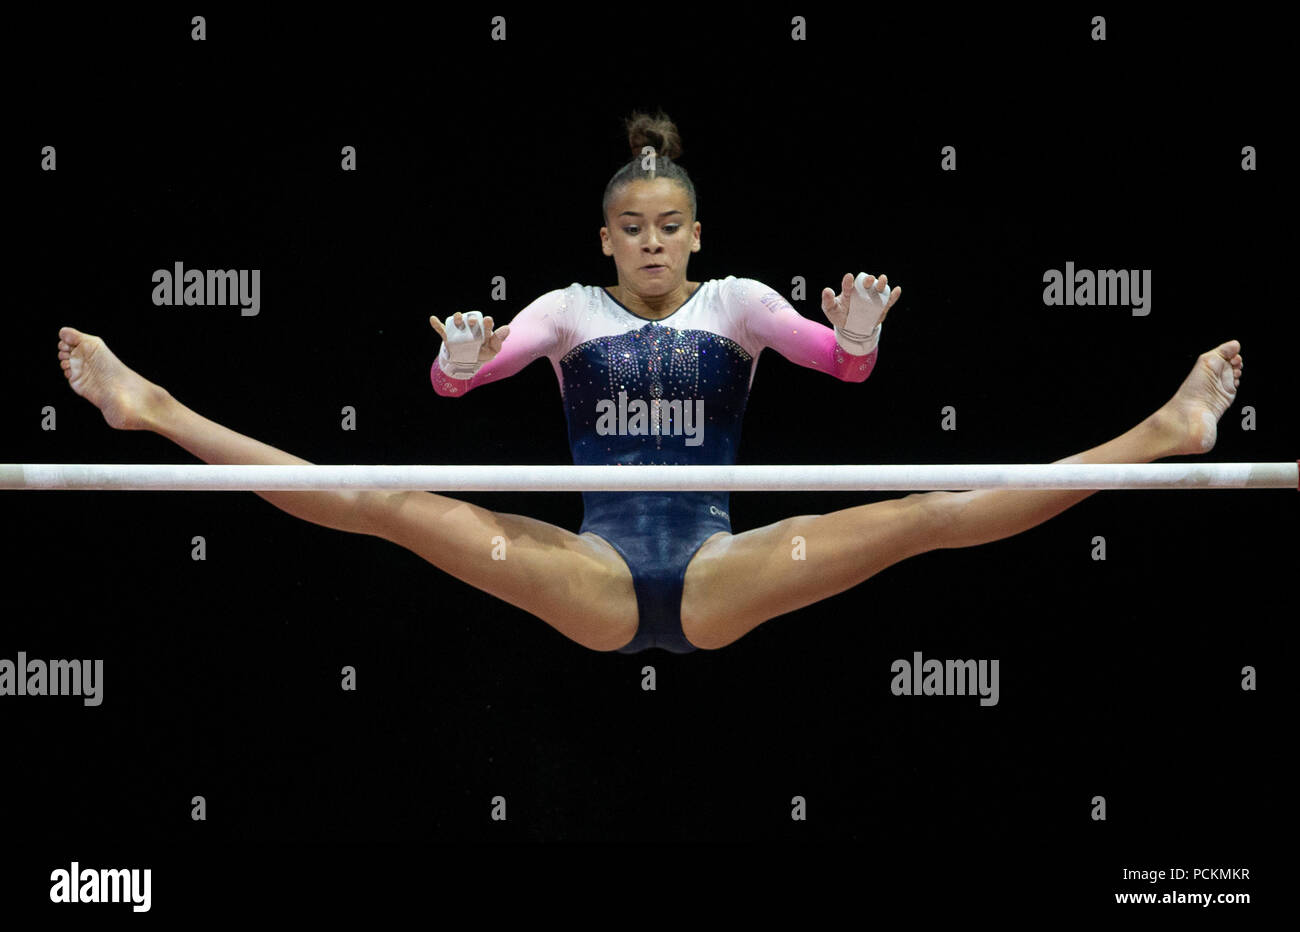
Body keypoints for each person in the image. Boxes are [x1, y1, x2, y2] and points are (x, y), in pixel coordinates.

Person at [55, 110, 1245, 654]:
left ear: (694, 229)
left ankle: (1162, 427)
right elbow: (456, 385)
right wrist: (461, 357)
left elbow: (840, 368)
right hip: (602, 575)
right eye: (633, 227)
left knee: (930, 516)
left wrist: (865, 339)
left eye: (670, 223)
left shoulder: (740, 303)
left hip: (720, 567)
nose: (655, 241)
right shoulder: (565, 312)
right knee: (382, 503)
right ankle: (149, 406)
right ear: (608, 238)